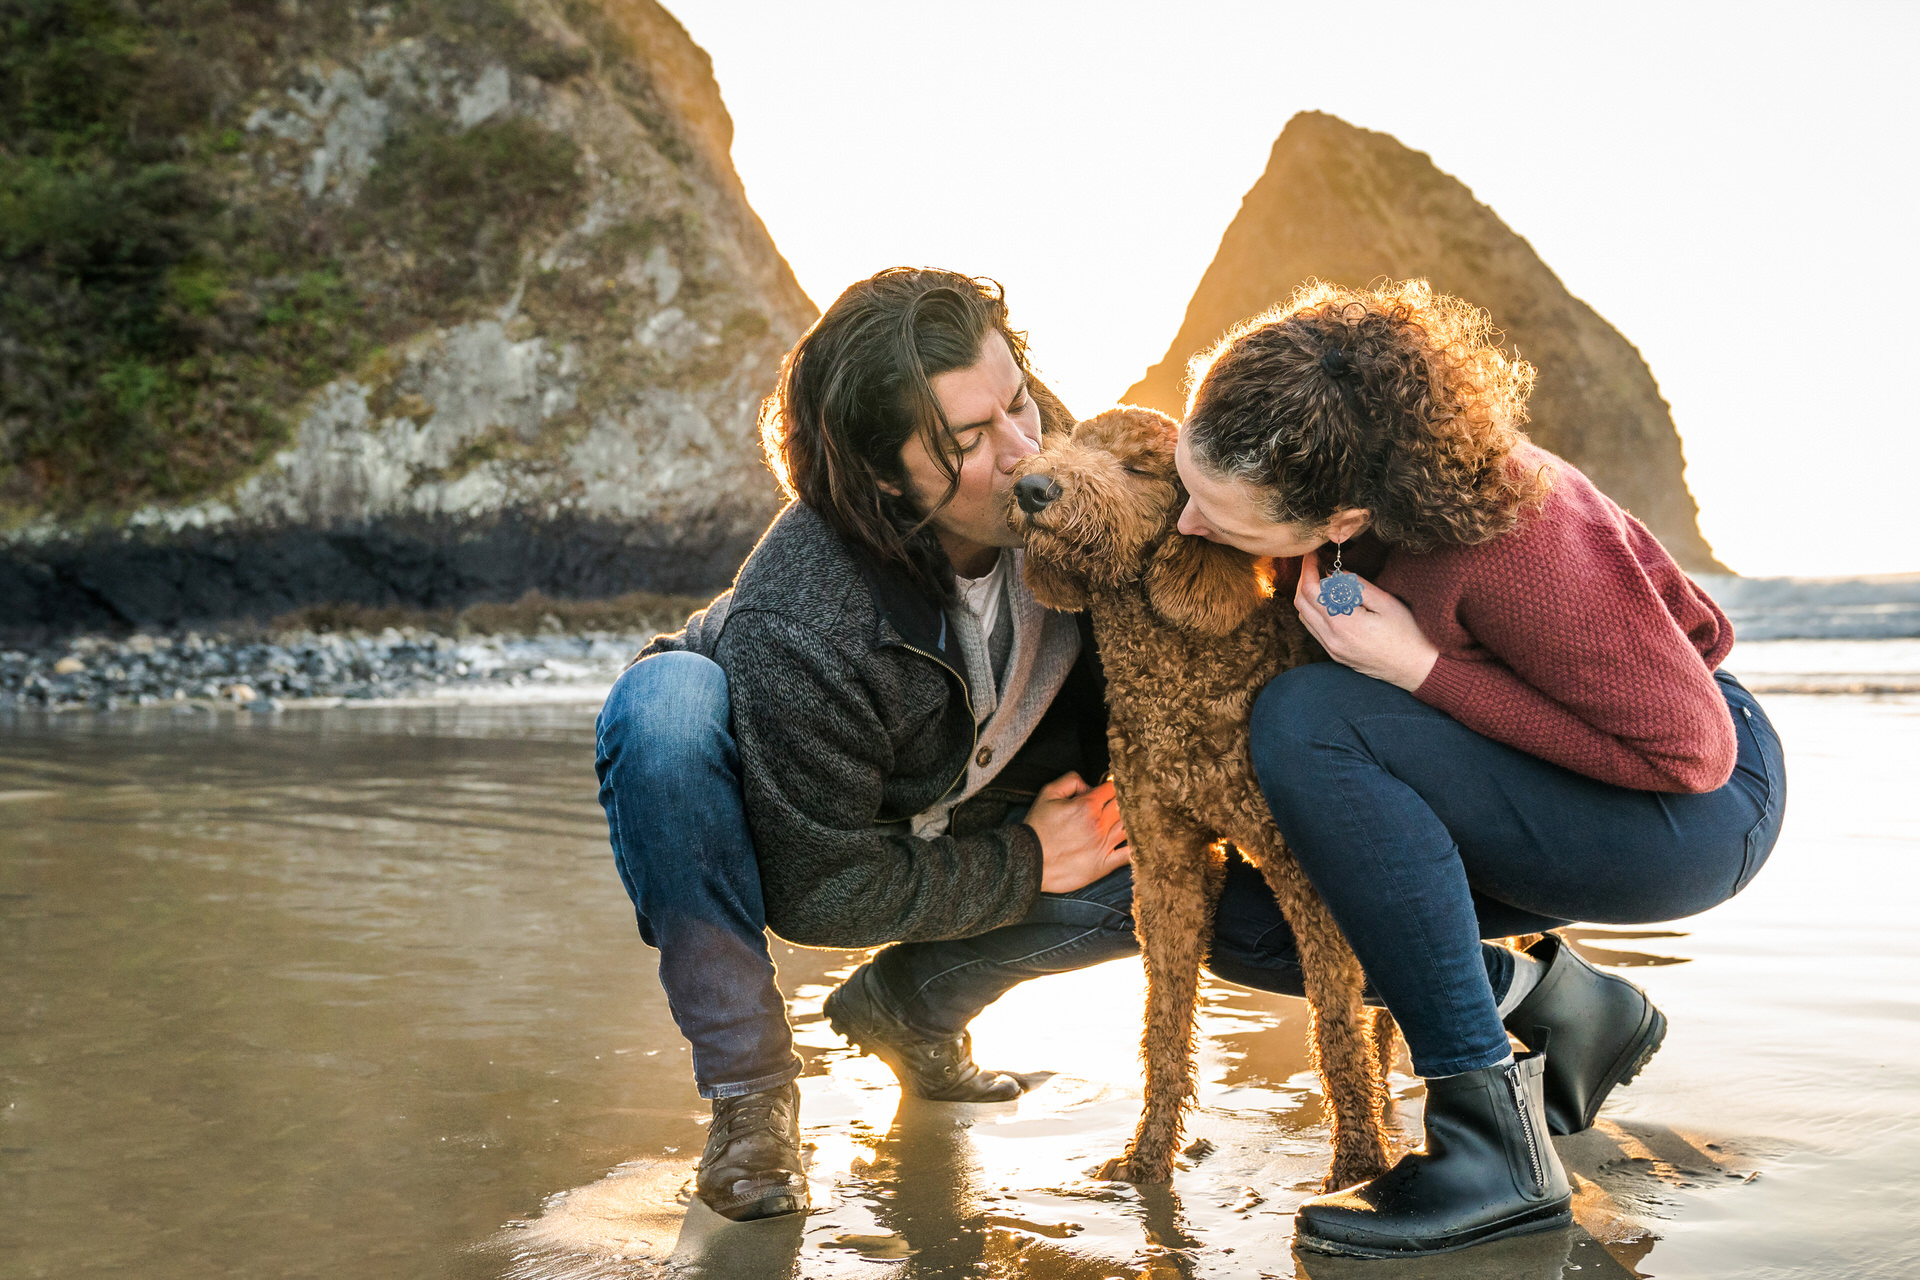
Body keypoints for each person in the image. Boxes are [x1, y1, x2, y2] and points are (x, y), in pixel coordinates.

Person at [593, 268, 1351, 1223]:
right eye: (965, 442)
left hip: (985, 783)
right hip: (792, 804)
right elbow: (815, 893)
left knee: (1167, 870)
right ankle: (751, 1099)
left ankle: (910, 1011)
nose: (1024, 451)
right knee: (661, 710)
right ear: (882, 475)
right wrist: (1028, 858)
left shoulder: (1061, 465)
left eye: (1020, 403)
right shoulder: (802, 618)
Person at [1171, 279, 1787, 1259]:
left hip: (1696, 806)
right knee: (1231, 918)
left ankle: (1495, 1153)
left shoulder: (1516, 532)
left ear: (1345, 512)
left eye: (1218, 511)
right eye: (1187, 484)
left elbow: (1689, 750)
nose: (1189, 524)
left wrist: (1420, 669)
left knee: (1310, 719)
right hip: (1551, 763)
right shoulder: (1329, 493)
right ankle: (1560, 1005)